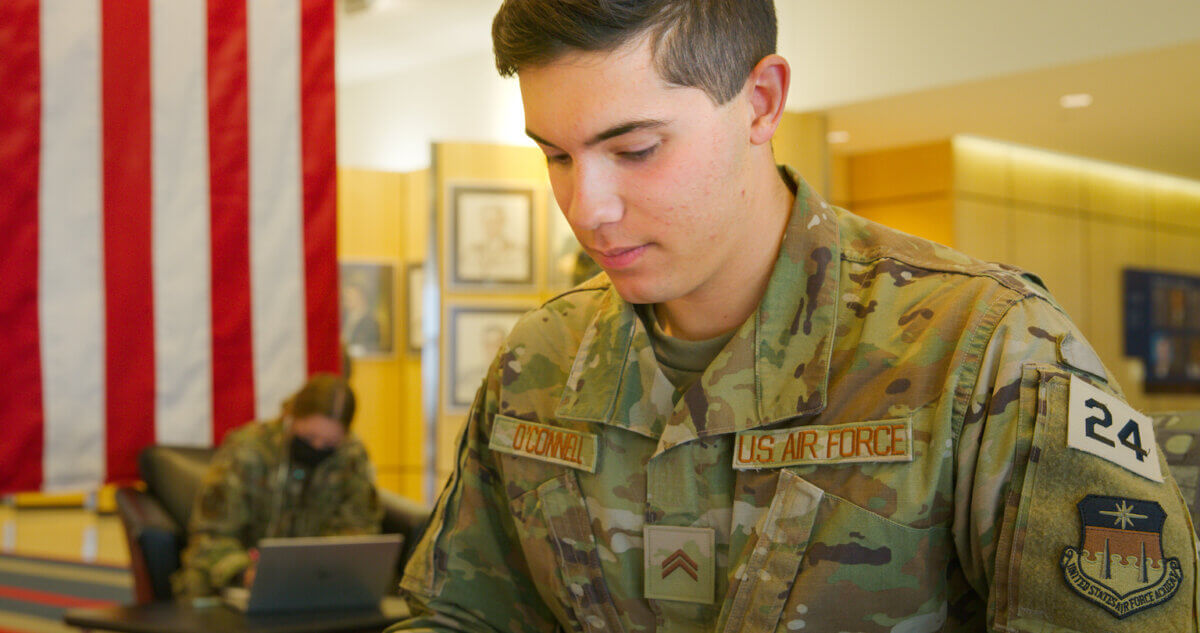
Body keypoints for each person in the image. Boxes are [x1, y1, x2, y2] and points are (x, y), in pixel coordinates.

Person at [392, 1, 1200, 631]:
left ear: (761, 101)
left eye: (636, 150)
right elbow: (461, 613)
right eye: (556, 155)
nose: (587, 208)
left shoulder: (988, 350)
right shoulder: (539, 361)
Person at [172, 373, 382, 598]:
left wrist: (322, 568)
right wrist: (245, 571)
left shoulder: (351, 456)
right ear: (291, 416)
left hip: (317, 581)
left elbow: (359, 529)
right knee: (196, 582)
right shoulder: (248, 450)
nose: (317, 447)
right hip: (237, 577)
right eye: (309, 437)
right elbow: (210, 535)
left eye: (329, 443)